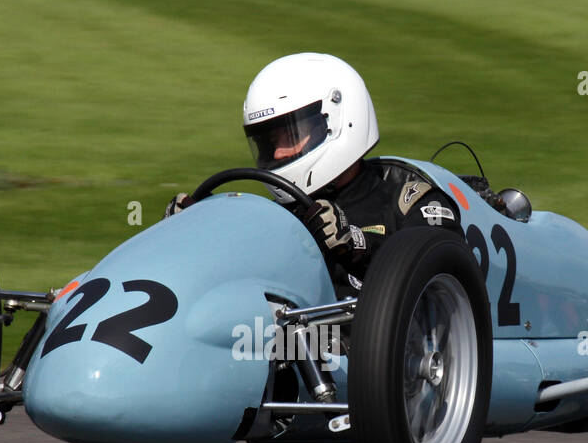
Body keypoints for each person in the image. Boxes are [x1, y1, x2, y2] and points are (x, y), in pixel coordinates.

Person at [166, 52, 464, 292]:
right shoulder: (275, 217)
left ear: (338, 121)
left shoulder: (408, 202)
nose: (279, 152)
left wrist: (357, 244)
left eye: (291, 135)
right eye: (270, 142)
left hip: (385, 360)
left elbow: (450, 272)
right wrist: (195, 232)